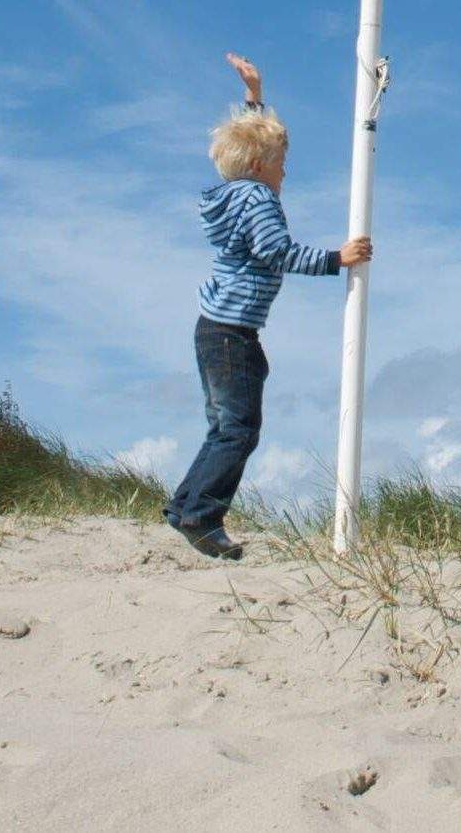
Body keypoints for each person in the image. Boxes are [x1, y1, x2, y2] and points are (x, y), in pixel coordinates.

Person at [164, 53, 371, 559]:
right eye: (281, 164)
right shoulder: (256, 199)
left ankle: (186, 504)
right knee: (239, 429)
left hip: (218, 329)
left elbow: (250, 142)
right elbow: (276, 250)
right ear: (260, 168)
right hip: (230, 331)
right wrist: (335, 259)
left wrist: (255, 96)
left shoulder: (231, 192)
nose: (285, 172)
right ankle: (201, 516)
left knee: (226, 425)